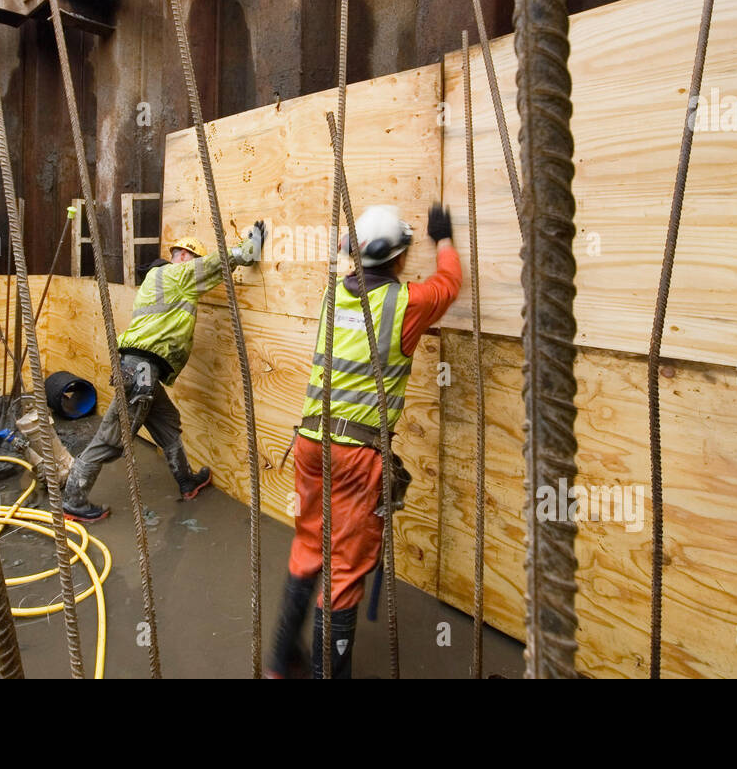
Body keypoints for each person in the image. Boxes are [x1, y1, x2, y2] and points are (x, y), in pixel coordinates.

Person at [266, 203, 461, 678]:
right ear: (399, 257)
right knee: (345, 573)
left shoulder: (334, 296)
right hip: (356, 454)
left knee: (309, 547)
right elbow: (451, 283)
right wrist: (445, 238)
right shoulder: (406, 304)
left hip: (311, 441)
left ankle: (278, 661)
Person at [61, 225, 266, 522]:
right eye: (192, 259)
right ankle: (73, 500)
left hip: (142, 370)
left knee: (168, 423)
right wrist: (247, 249)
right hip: (141, 370)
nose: (194, 265)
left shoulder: (157, 280)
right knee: (111, 440)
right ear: (183, 256)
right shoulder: (176, 275)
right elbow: (214, 264)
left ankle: (186, 481)